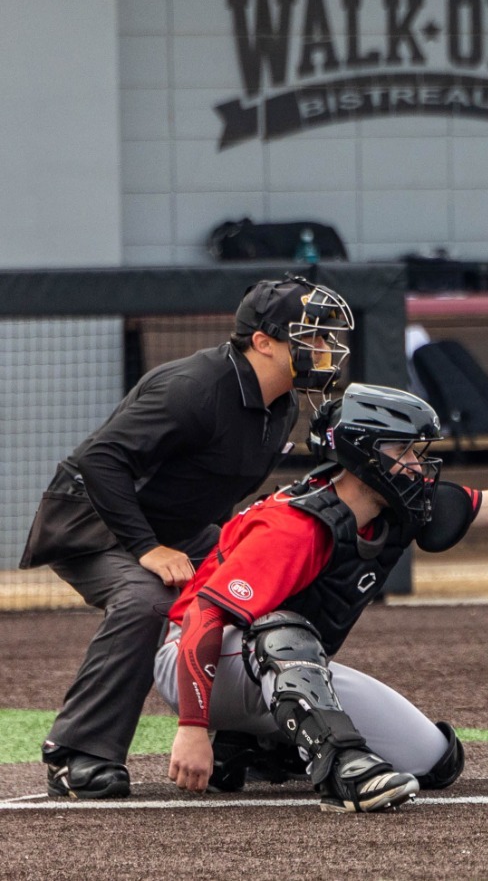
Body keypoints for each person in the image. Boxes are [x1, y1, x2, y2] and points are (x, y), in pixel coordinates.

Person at [153, 375, 488, 812]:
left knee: (435, 761)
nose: (417, 462)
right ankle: (344, 773)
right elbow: (204, 617)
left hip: (271, 670)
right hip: (198, 662)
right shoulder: (294, 526)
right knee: (284, 633)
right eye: (403, 449)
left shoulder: (396, 505)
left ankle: (251, 746)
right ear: (365, 454)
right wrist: (192, 727)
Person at [18, 275, 352, 799]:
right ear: (263, 342)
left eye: (327, 338)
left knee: (271, 587)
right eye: (310, 337)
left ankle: (249, 739)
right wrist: (148, 550)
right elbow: (100, 461)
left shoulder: (281, 403)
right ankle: (77, 752)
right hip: (92, 521)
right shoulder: (194, 388)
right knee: (146, 601)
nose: (325, 349)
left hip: (179, 527)